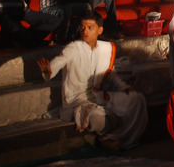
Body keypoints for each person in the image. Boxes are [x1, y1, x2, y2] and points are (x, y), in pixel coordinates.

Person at [37, 10, 148, 151]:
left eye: (90, 27)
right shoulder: (73, 48)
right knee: (98, 119)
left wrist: (123, 87)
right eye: (83, 27)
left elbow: (109, 74)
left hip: (99, 96)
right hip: (77, 99)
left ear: (99, 30)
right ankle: (107, 140)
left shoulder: (105, 48)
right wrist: (49, 71)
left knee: (136, 99)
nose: (85, 31)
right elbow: (59, 62)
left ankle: (120, 138)